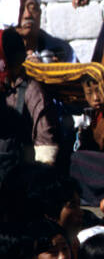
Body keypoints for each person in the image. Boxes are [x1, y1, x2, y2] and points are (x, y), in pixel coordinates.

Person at [0, 28, 61, 174]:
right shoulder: (3, 87)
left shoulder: (31, 91)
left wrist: (39, 177)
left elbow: (45, 141)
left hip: (18, 174)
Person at [15, 0, 76, 64]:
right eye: (21, 10)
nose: (27, 15)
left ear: (40, 13)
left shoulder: (61, 48)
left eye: (33, 8)